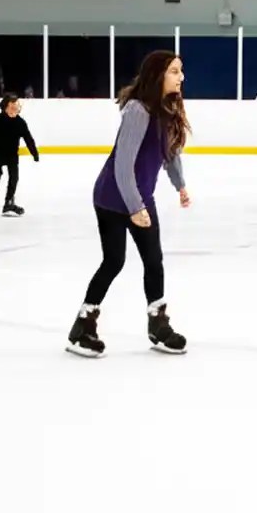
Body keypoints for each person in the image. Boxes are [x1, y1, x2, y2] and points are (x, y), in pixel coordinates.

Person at [66, 50, 191, 358]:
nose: (181, 77)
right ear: (158, 75)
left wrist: (180, 185)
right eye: (175, 71)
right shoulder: (138, 110)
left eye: (181, 71)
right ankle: (82, 327)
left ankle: (158, 325)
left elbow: (170, 152)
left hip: (140, 196)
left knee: (154, 260)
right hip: (112, 196)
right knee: (114, 261)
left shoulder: (166, 108)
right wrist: (135, 207)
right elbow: (123, 164)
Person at [0, 94, 40, 216]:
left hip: (12, 155)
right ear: (5, 108)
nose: (16, 110)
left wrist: (34, 153)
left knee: (14, 177)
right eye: (13, 107)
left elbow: (28, 138)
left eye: (17, 107)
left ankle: (8, 203)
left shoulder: (20, 122)